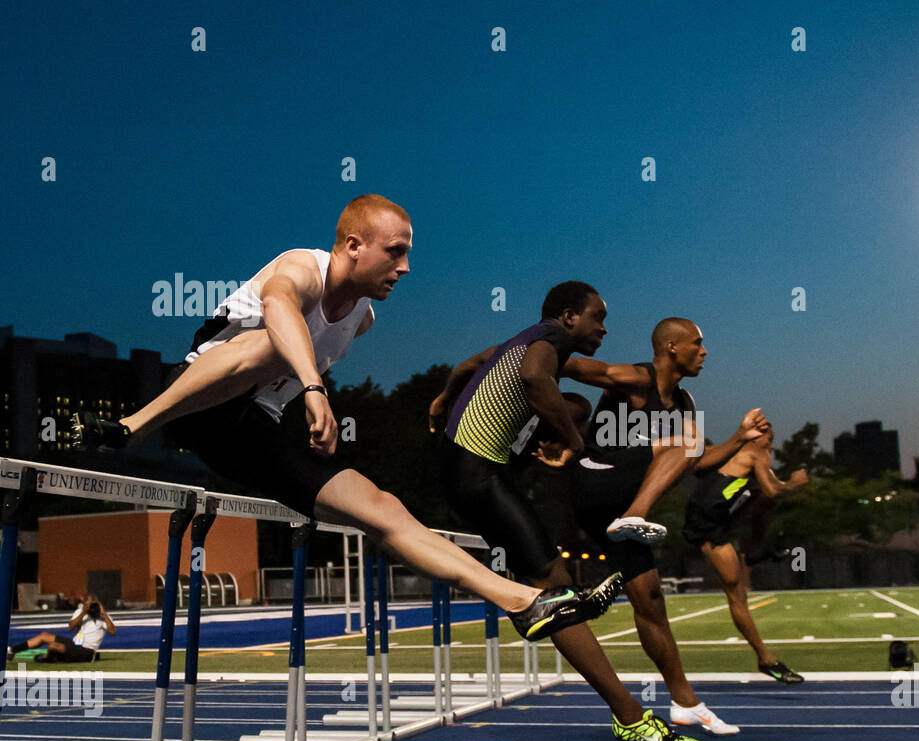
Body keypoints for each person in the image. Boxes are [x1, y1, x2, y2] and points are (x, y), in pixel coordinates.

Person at [69, 195, 613, 644]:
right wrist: (313, 386)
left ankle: (520, 601)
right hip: (197, 401)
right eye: (395, 252)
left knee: (383, 511)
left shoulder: (364, 319)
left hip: (252, 430)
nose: (405, 268)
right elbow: (280, 308)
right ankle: (131, 424)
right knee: (271, 346)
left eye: (408, 255)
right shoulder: (301, 267)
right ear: (353, 245)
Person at [429, 282, 702, 741]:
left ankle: (547, 607)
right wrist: (575, 444)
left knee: (572, 406)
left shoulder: (522, 342)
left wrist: (444, 397)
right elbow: (536, 379)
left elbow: (469, 364)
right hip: (474, 475)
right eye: (598, 317)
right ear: (570, 317)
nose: (604, 328)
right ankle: (626, 712)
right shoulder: (549, 338)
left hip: (481, 469)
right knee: (553, 596)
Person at [558, 317, 769, 733]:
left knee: (651, 601)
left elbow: (701, 463)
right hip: (595, 479)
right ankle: (637, 515)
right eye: (698, 344)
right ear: (673, 346)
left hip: (617, 509)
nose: (704, 352)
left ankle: (685, 702)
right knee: (685, 442)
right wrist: (515, 358)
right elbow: (570, 366)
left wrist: (741, 436)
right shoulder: (636, 378)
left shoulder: (684, 403)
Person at [684, 425, 809, 683]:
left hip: (711, 520)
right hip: (708, 527)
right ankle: (766, 658)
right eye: (770, 439)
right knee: (736, 594)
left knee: (759, 496)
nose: (772, 445)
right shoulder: (755, 452)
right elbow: (775, 489)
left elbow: (769, 487)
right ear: (755, 434)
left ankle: (754, 551)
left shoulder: (727, 451)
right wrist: (795, 484)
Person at [8, 594, 113, 663]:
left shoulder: (103, 618)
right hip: (75, 643)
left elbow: (112, 631)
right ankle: (12, 651)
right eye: (89, 603)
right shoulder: (80, 612)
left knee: (53, 646)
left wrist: (104, 614)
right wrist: (84, 613)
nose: (91, 606)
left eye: (94, 603)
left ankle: (49, 660)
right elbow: (71, 627)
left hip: (87, 650)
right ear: (85, 603)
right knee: (43, 636)